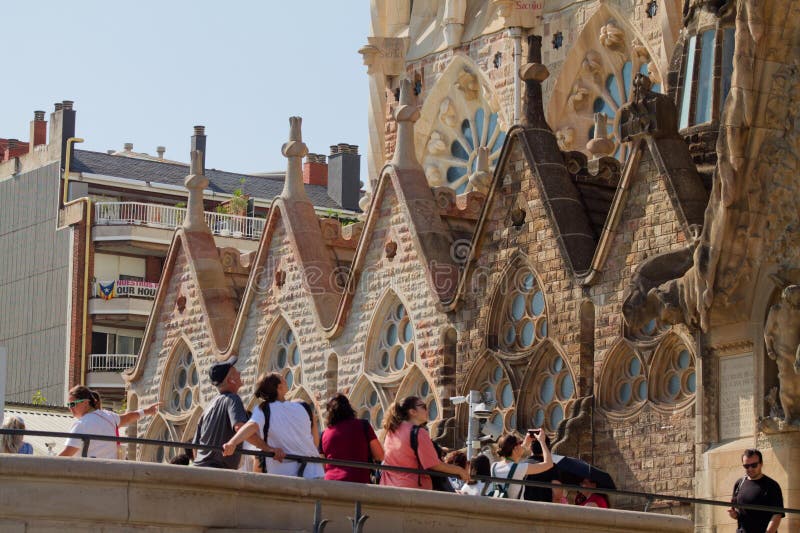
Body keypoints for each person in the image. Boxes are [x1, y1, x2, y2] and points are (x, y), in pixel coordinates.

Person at [224, 372, 324, 478]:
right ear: (279, 387)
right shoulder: (304, 407)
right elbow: (315, 443)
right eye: (283, 378)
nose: (286, 379)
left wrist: (232, 442)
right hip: (314, 472)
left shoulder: (264, 409)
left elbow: (251, 426)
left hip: (284, 476)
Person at [193, 358, 273, 469]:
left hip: (199, 470)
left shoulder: (207, 407)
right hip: (218, 471)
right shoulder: (232, 399)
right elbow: (240, 428)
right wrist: (267, 449)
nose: (240, 373)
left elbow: (195, 447)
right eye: (236, 372)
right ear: (231, 380)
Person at [380, 396, 468, 489]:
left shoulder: (391, 431)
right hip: (411, 490)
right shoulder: (418, 432)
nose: (428, 410)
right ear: (412, 412)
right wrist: (460, 471)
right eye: (424, 406)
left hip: (387, 487)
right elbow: (434, 465)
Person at [59, 385, 158, 458]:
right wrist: (147, 411)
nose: (70, 408)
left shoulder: (81, 424)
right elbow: (128, 418)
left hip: (88, 474)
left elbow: (66, 454)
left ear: (85, 402)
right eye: (68, 405)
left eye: (72, 404)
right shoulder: (109, 416)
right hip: (112, 472)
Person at [319, 393, 384, 483]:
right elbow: (379, 455)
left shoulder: (323, 434)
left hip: (331, 484)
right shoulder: (363, 425)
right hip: (358, 482)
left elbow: (322, 467)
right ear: (349, 408)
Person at [728, 449, 784, 533]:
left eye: (754, 465)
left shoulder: (772, 485)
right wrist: (734, 515)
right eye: (746, 466)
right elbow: (739, 513)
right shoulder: (739, 483)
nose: (750, 469)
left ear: (761, 464)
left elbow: (777, 515)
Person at [490, 430, 553, 500]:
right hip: (514, 509)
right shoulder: (519, 468)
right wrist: (542, 442)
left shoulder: (494, 466)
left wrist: (525, 444)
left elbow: (514, 459)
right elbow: (548, 464)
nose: (522, 443)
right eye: (520, 443)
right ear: (515, 449)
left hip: (497, 507)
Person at [523, 432, 556, 502]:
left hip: (525, 507)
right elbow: (557, 493)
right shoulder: (553, 466)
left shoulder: (522, 465)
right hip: (545, 508)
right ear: (547, 448)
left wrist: (524, 444)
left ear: (530, 447)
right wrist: (542, 442)